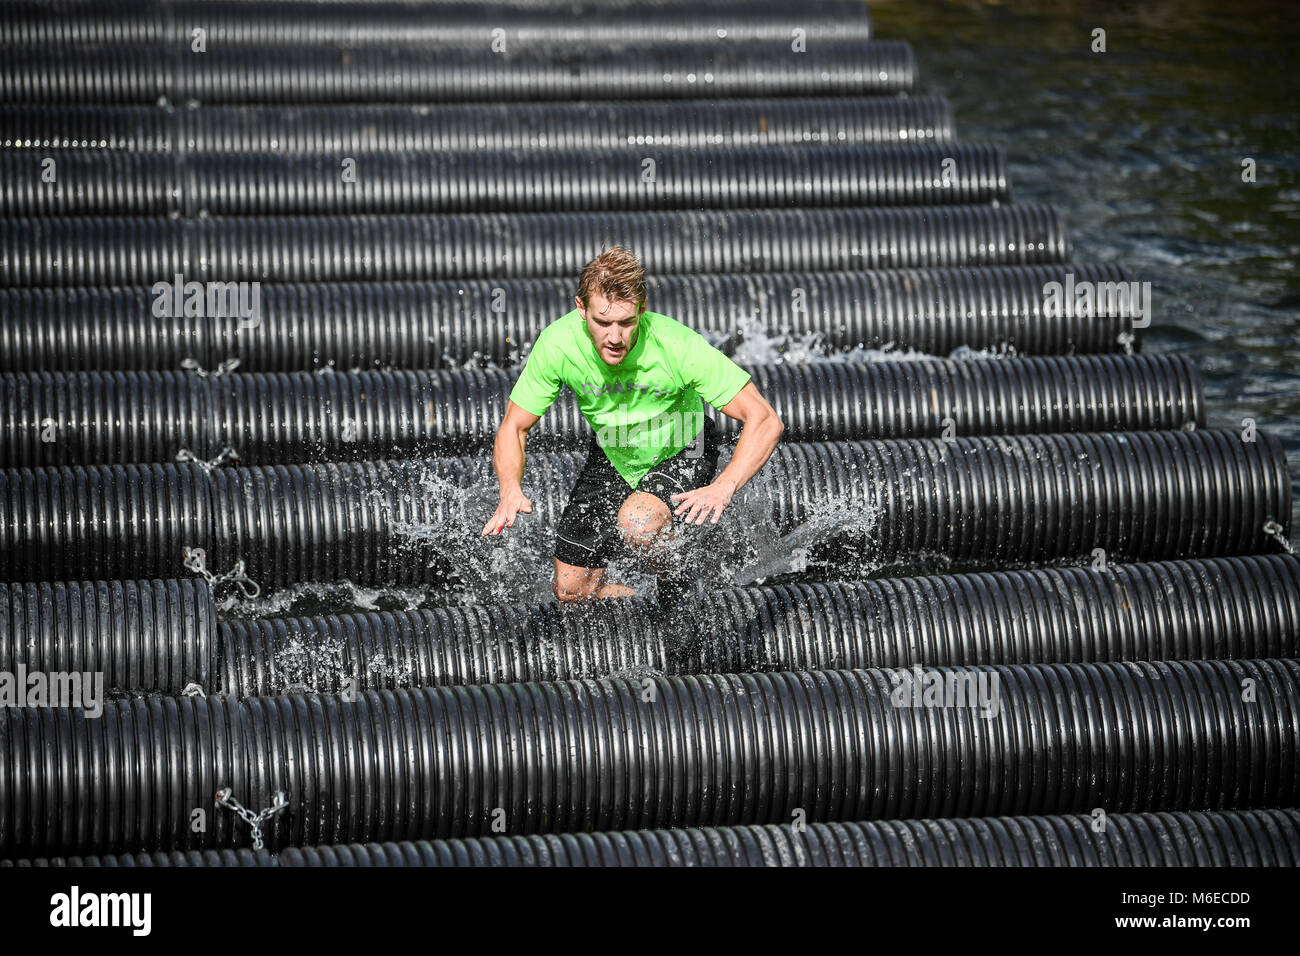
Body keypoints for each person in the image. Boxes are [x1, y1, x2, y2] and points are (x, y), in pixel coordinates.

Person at [480, 246, 784, 615]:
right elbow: (514, 426)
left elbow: (765, 418)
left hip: (685, 443)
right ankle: (646, 614)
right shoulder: (558, 344)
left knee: (637, 524)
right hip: (616, 448)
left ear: (641, 310)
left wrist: (724, 486)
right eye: (602, 322)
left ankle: (682, 571)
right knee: (572, 589)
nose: (615, 337)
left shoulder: (676, 345)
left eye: (626, 323)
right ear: (581, 309)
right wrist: (510, 488)